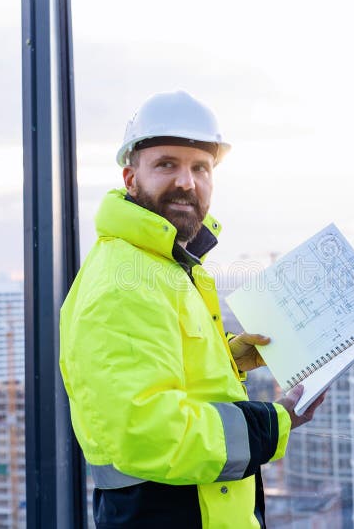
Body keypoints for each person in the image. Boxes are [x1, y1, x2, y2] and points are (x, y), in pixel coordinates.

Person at [59, 90, 325, 528]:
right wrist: (279, 420)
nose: (187, 182)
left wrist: (230, 357)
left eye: (200, 167)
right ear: (130, 178)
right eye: (167, 164)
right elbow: (150, 433)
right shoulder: (124, 281)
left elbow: (167, 374)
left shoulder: (166, 267)